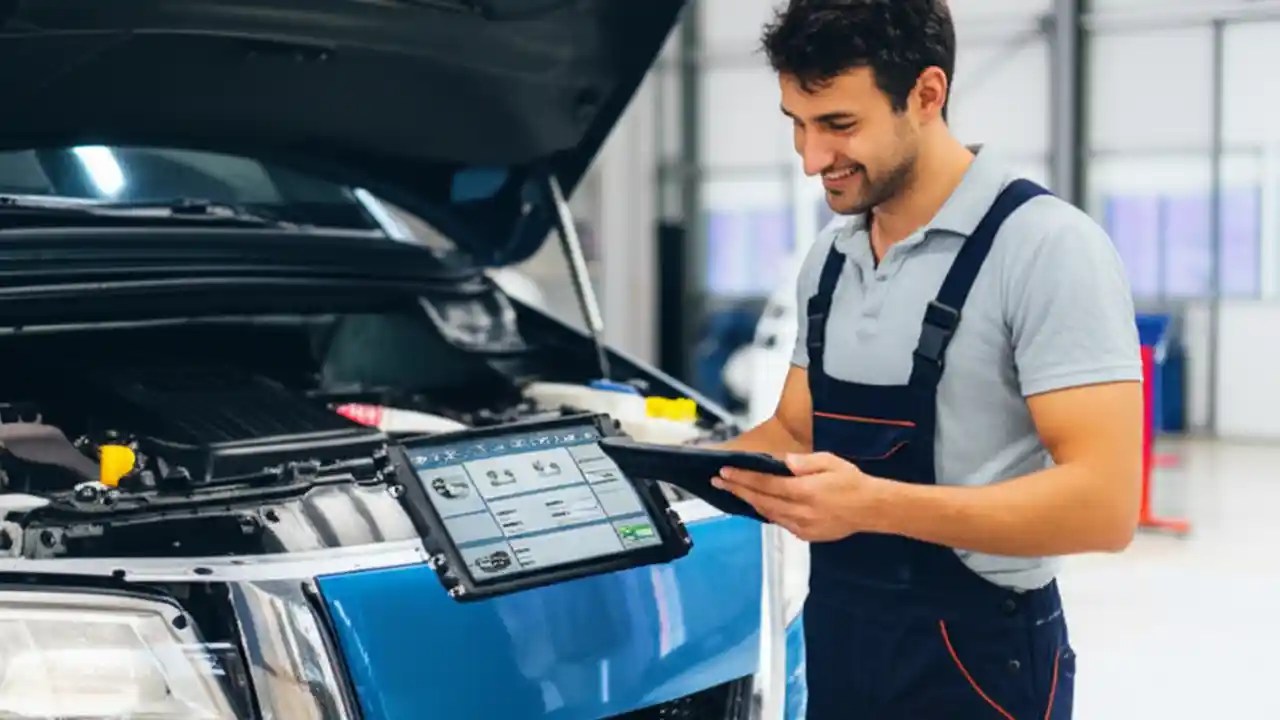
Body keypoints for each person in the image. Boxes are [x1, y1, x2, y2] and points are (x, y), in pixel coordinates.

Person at [711, 1, 1144, 718]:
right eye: (798, 123)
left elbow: (1104, 507)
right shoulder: (830, 258)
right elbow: (794, 432)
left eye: (839, 125)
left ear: (926, 94)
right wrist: (657, 480)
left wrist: (873, 506)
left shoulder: (1046, 248)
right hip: (842, 643)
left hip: (980, 668)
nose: (812, 158)